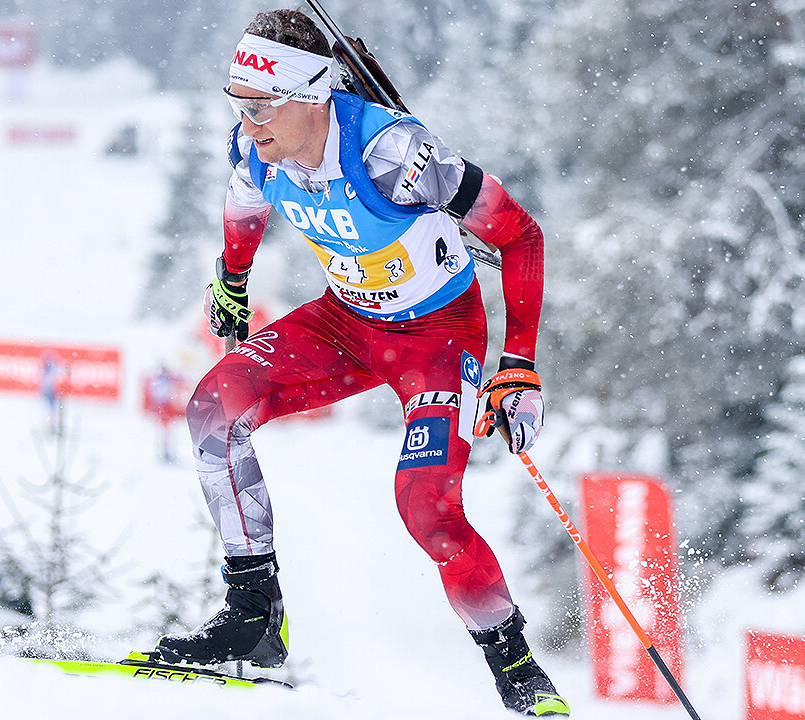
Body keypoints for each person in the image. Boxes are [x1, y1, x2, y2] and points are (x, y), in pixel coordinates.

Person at [152, 10, 567, 717]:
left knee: (427, 512)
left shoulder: (393, 154)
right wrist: (233, 277)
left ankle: (517, 668)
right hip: (345, 324)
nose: (248, 126)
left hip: (438, 338)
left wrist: (519, 365)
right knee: (212, 413)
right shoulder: (258, 149)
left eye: (261, 108)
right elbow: (243, 204)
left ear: (311, 94)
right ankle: (254, 614)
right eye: (237, 108)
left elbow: (520, 233)